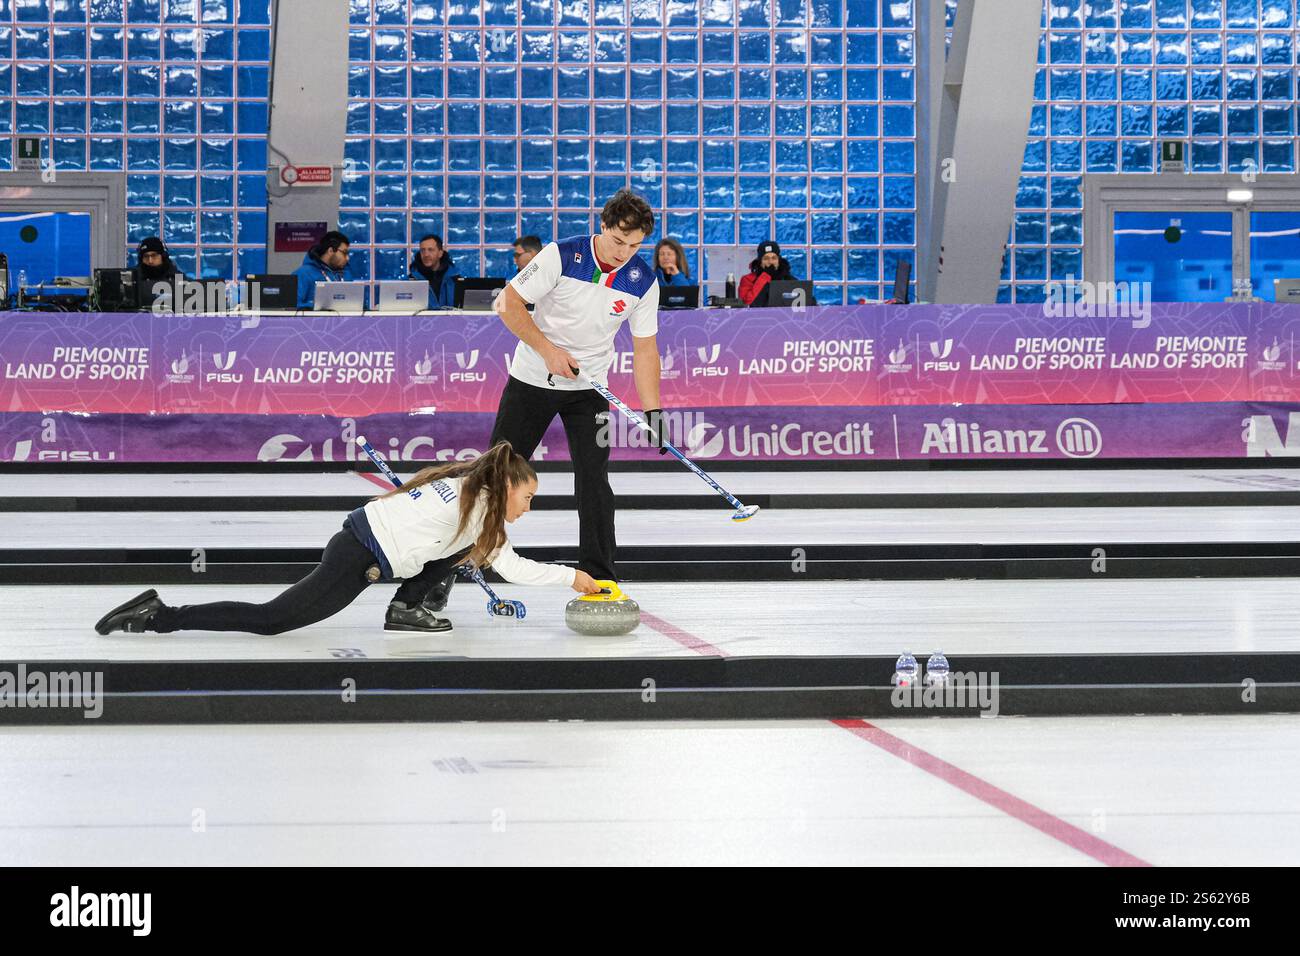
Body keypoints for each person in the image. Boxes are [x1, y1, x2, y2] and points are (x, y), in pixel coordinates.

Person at [419, 190, 664, 613]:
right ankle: (442, 572)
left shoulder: (643, 280)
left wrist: (654, 411)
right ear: (603, 227)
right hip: (531, 380)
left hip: (589, 390)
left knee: (594, 482)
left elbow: (646, 349)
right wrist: (548, 350)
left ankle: (601, 577)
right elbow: (508, 304)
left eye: (636, 245)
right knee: (491, 479)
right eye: (619, 241)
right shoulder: (561, 255)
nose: (626, 253)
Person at [93, 443, 602, 637]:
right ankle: (161, 615)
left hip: (359, 539)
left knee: (456, 554)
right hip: (359, 557)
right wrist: (575, 577)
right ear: (508, 486)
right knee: (272, 621)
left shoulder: (470, 487)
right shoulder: (483, 512)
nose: (529, 506)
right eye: (529, 495)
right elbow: (513, 568)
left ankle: (406, 607)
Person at [292, 230, 352, 309]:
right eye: (344, 253)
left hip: (345, 321)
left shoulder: (346, 274)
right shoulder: (303, 274)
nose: (347, 258)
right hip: (314, 321)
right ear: (330, 251)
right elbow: (291, 306)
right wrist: (318, 306)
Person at [739, 240, 796, 306]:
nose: (770, 262)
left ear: (779, 260)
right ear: (760, 262)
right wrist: (765, 277)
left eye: (774, 258)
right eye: (766, 258)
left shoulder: (788, 279)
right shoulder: (747, 280)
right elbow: (747, 303)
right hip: (758, 316)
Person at [410, 233, 460, 308]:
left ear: (440, 253)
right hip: (423, 320)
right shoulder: (411, 280)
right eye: (422, 250)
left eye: (430, 250)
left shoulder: (455, 279)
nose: (426, 254)